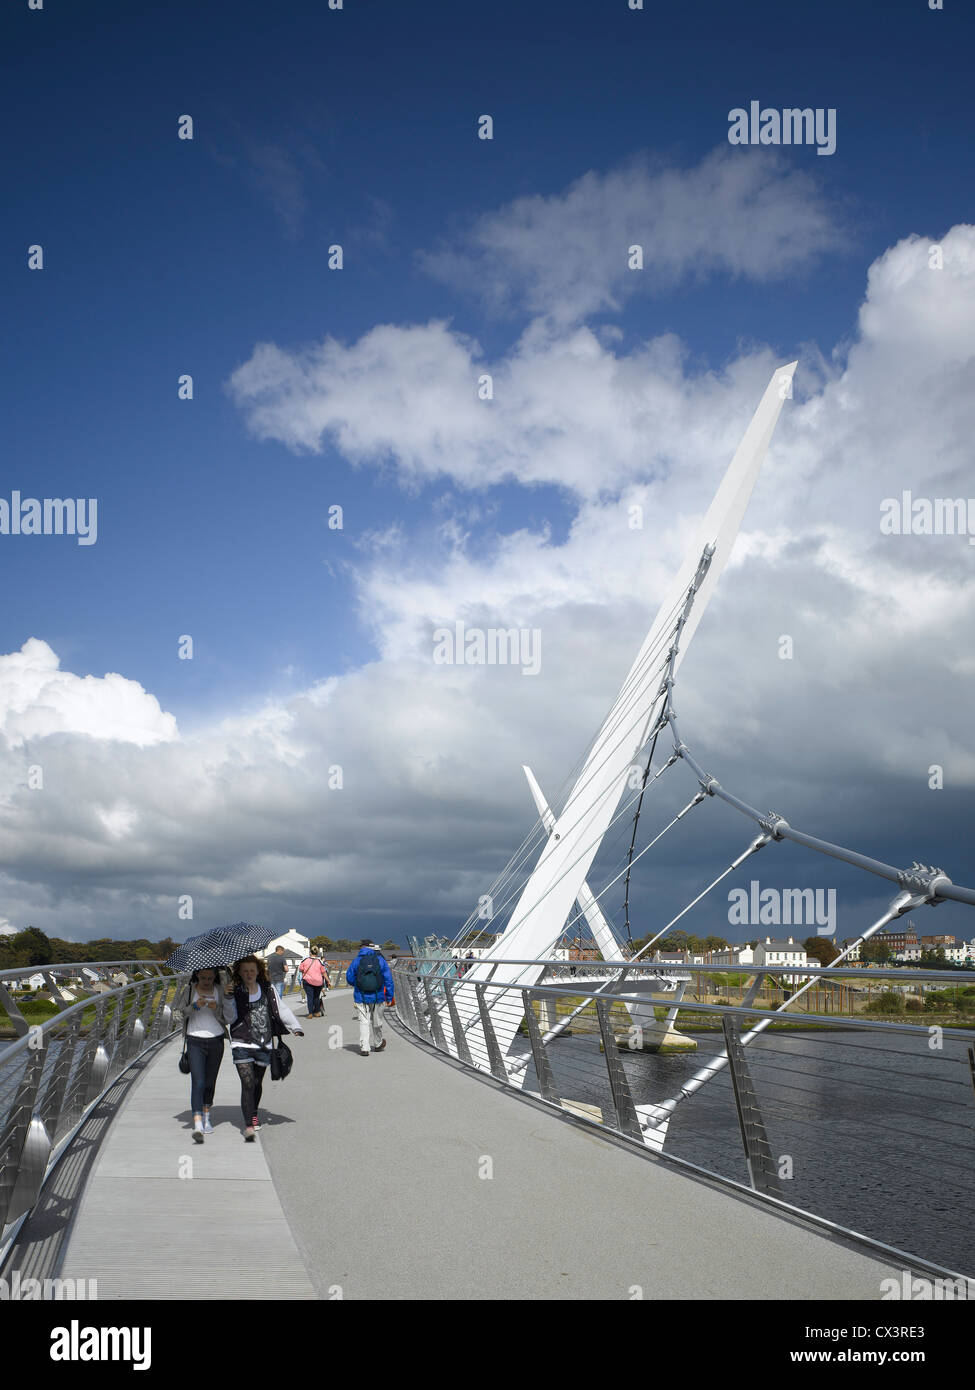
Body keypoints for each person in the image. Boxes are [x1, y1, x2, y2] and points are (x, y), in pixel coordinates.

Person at [223, 955, 303, 1140]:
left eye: (252, 970)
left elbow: (281, 1009)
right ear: (239, 973)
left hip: (264, 1043)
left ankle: (253, 1112)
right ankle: (249, 1125)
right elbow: (228, 1018)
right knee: (248, 1083)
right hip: (241, 1042)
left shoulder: (268, 989)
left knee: (257, 1083)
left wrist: (295, 1026)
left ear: (258, 971)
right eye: (245, 971)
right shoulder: (234, 991)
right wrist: (227, 998)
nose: (249, 974)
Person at [182, 967, 228, 1142]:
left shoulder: (220, 991)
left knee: (209, 1082)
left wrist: (216, 1009)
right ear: (197, 977)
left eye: (210, 978)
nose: (206, 981)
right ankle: (198, 1122)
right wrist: (195, 1006)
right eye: (203, 978)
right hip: (194, 1040)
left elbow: (228, 1017)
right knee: (198, 1081)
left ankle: (207, 1116)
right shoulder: (189, 991)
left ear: (215, 977)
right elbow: (179, 1013)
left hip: (216, 1040)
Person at [347, 940, 395, 1056]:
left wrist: (359, 984)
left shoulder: (356, 961)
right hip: (378, 996)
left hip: (361, 996)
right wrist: (389, 996)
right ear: (372, 947)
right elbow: (388, 980)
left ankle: (364, 1047)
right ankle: (378, 1044)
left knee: (364, 1022)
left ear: (361, 948)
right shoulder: (380, 960)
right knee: (377, 1021)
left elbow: (349, 978)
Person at [298, 947, 327, 1018]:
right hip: (318, 982)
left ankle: (310, 1013)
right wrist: (328, 981)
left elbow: (300, 969)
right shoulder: (320, 962)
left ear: (310, 953)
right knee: (316, 997)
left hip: (307, 981)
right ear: (317, 953)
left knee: (310, 997)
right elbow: (323, 972)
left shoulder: (305, 960)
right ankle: (316, 1012)